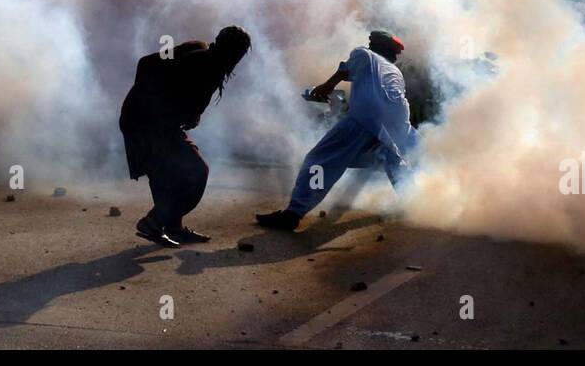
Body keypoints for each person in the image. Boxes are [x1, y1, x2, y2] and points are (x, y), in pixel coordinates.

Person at [257, 30, 417, 232]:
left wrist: (325, 87)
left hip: (367, 117)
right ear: (389, 51)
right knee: (391, 159)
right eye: (395, 52)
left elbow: (343, 71)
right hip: (397, 122)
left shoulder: (363, 54)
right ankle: (415, 204)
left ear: (374, 45)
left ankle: (293, 213)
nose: (396, 57)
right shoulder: (394, 70)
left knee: (319, 160)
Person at [119, 25, 252, 247]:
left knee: (165, 174)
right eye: (236, 52)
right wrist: (151, 104)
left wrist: (190, 113)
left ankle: (173, 227)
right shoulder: (201, 61)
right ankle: (154, 221)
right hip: (147, 123)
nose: (236, 59)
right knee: (196, 172)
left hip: (155, 123)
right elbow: (146, 63)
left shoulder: (204, 54)